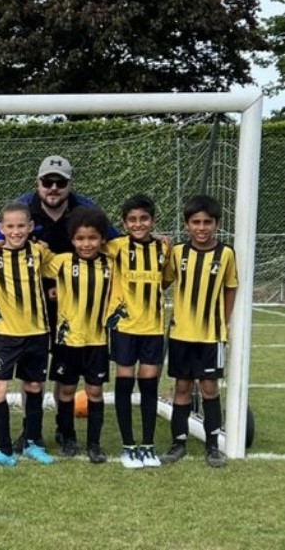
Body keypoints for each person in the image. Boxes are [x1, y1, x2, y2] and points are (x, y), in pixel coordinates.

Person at [0, 154, 117, 449]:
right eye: (47, 182)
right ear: (38, 183)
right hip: (30, 310)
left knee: (63, 373)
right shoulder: (21, 209)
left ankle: (62, 429)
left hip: (76, 307)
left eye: (60, 182)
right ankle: (30, 432)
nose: (53, 187)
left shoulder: (86, 209)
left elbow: (115, 244)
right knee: (31, 376)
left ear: (70, 184)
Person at [0, 202, 56, 468]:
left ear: (30, 227)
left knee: (33, 387)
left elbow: (62, 264)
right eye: (10, 226)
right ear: (1, 228)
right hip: (6, 336)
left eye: (21, 226)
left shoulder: (39, 252)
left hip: (37, 332)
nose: (16, 231)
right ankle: (4, 451)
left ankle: (32, 443)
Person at [160, 195, 238, 468]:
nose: (201, 228)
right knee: (182, 387)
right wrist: (161, 254)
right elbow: (163, 282)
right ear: (186, 224)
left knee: (209, 388)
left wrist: (224, 323)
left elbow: (231, 287)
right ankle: (178, 442)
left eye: (207, 222)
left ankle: (213, 446)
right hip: (181, 334)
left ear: (217, 224)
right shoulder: (178, 252)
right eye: (196, 222)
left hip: (210, 336)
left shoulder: (226, 253)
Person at [105, 194, 169, 469]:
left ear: (153, 221)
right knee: (125, 381)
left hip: (153, 328)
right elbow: (86, 244)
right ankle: (128, 446)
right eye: (132, 219)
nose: (138, 224)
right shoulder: (116, 246)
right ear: (124, 222)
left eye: (144, 219)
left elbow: (164, 282)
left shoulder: (164, 249)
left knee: (149, 385)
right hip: (124, 327)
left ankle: (148, 445)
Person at [47, 206, 113, 464]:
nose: (87, 244)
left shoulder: (111, 264)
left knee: (95, 392)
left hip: (97, 340)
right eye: (81, 238)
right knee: (66, 391)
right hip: (67, 340)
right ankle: (67, 435)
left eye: (93, 238)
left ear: (102, 239)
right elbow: (29, 261)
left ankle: (94, 444)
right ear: (72, 239)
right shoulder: (61, 262)